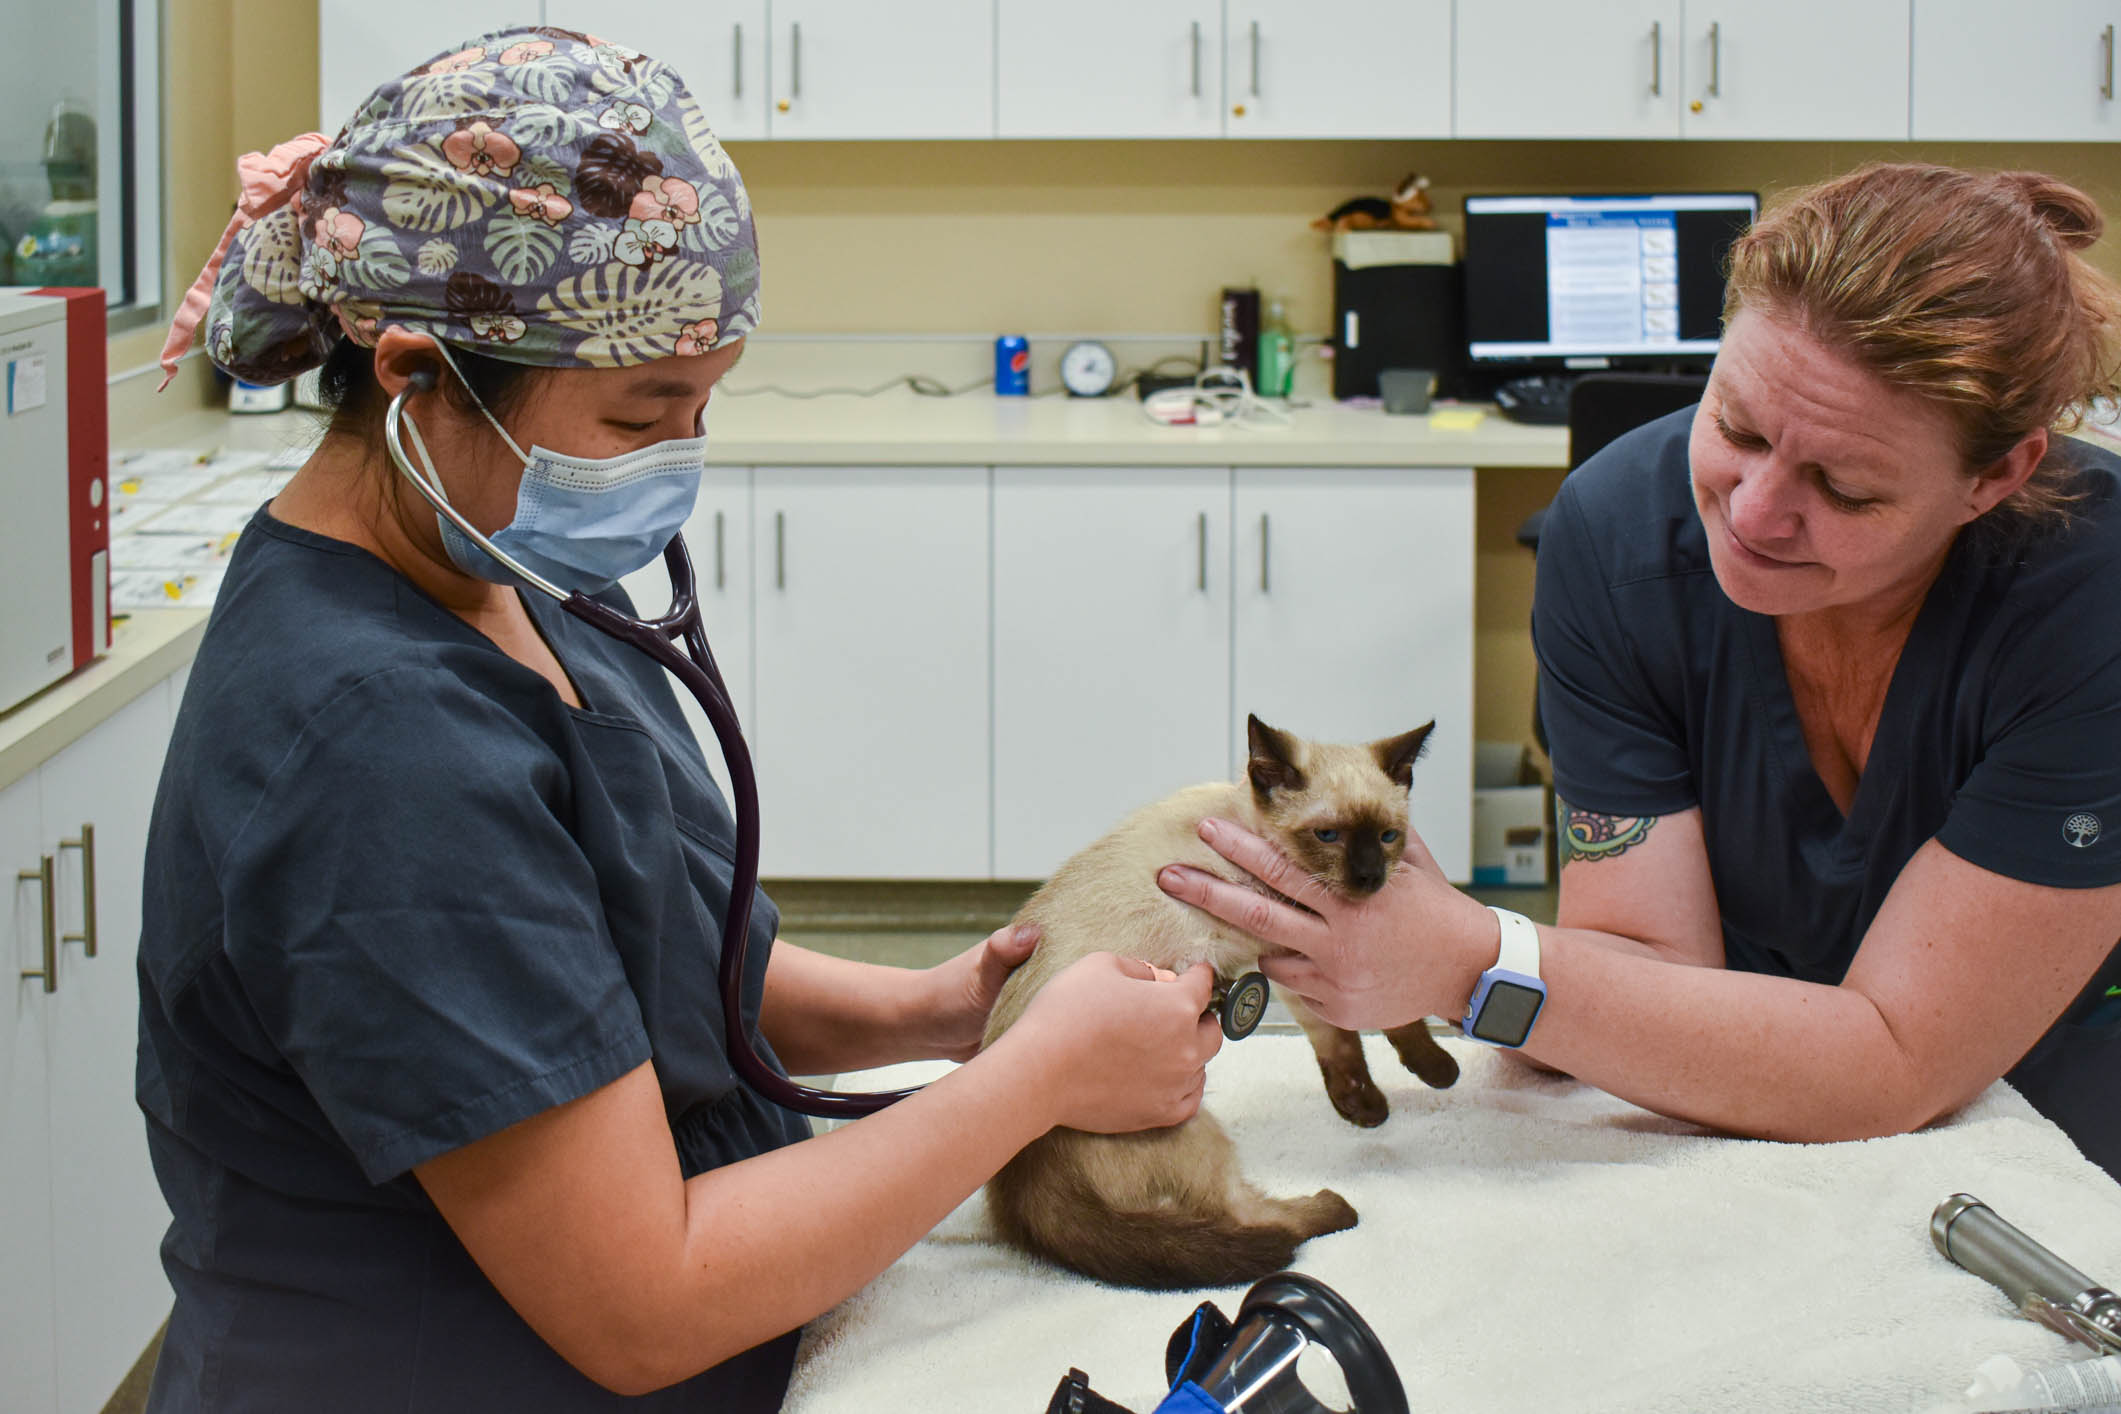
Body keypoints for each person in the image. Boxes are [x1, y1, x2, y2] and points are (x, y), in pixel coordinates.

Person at [138, 28, 1221, 1412]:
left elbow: (632, 944)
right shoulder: (374, 748)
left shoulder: (505, 558)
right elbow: (643, 1302)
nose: (680, 464)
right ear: (416, 377)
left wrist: (941, 1009)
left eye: (704, 405)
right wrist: (1031, 1076)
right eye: (645, 409)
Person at [1159, 163, 2121, 1179]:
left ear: (1998, 475)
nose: (1749, 518)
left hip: (2027, 1098)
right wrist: (1442, 952)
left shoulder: (2086, 597)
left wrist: (1475, 961)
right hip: (1719, 1082)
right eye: (1736, 428)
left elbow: (1897, 1062)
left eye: (1844, 487)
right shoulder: (1618, 535)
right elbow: (1642, 971)